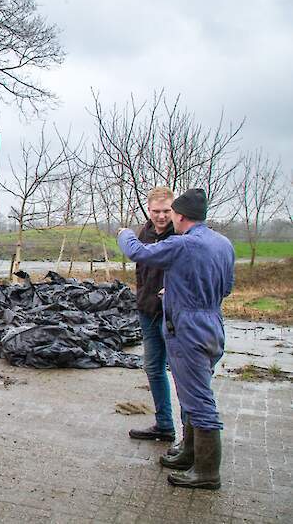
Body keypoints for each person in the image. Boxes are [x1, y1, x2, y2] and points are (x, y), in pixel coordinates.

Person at [117, 188, 234, 490]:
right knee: (193, 393)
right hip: (212, 323)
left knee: (199, 399)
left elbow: (138, 252)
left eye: (171, 214)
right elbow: (227, 287)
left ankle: (207, 472)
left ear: (180, 216)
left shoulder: (183, 244)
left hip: (188, 328)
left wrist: (124, 234)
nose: (167, 218)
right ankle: (188, 454)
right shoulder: (223, 243)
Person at [127, 187, 176, 443]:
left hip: (172, 314)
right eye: (156, 211)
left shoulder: (180, 234)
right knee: (153, 368)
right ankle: (164, 425)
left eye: (166, 211)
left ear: (174, 210)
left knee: (180, 371)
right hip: (147, 310)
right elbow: (140, 270)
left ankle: (191, 436)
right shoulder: (144, 232)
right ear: (149, 210)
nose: (161, 216)